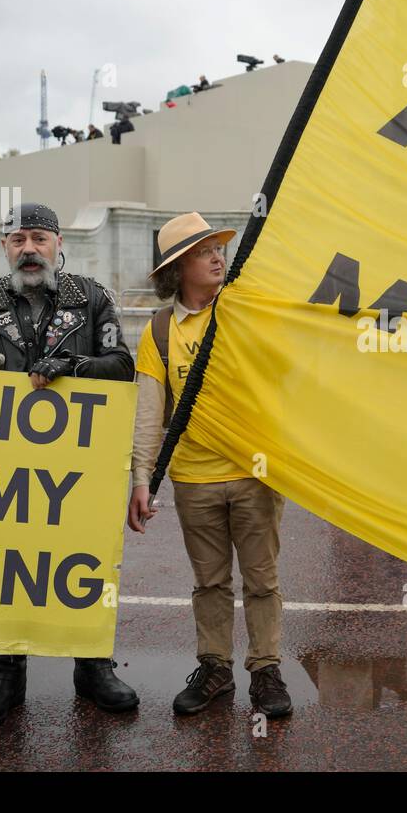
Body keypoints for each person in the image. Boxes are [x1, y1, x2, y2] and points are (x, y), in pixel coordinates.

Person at [0, 202, 138, 728]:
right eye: (18, 239)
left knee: (83, 558)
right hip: (1, 468)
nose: (29, 248)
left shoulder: (91, 298)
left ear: (59, 245)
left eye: (40, 238)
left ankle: (93, 664)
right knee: (4, 565)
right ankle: (5, 677)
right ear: (4, 247)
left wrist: (73, 366)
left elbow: (122, 366)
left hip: (78, 466)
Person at [128, 212, 292, 718]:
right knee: (210, 583)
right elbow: (150, 413)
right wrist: (141, 479)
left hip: (254, 474)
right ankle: (215, 668)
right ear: (177, 270)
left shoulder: (245, 313)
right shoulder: (158, 332)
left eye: (218, 249)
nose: (218, 257)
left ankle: (265, 669)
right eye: (204, 252)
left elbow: (286, 379)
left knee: (262, 580)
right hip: (194, 480)